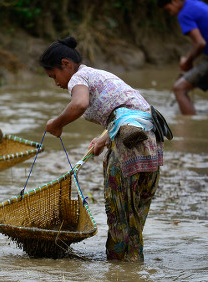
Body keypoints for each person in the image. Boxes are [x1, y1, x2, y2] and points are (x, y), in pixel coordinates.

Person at [39, 36, 167, 261]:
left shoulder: (78, 77)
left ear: (66, 64)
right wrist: (102, 140)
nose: (56, 83)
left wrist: (56, 123)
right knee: (134, 218)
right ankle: (133, 269)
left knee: (118, 214)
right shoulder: (98, 74)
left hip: (130, 147)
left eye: (54, 76)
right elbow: (129, 111)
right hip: (151, 144)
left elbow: (79, 104)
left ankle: (116, 267)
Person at [158, 0, 208, 115]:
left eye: (169, 9)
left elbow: (200, 43)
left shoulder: (184, 14)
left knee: (179, 89)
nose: (171, 13)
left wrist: (187, 62)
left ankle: (191, 127)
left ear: (175, 1)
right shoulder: (196, 4)